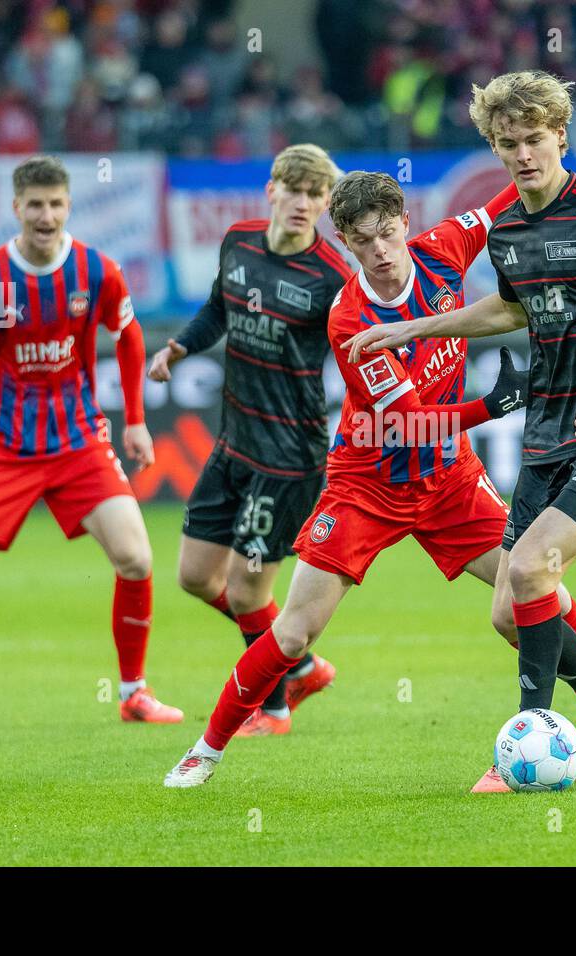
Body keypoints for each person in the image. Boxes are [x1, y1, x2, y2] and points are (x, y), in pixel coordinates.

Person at [164, 171, 576, 789]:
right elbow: (408, 424)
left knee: (535, 585)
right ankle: (205, 751)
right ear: (345, 242)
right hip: (366, 485)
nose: (379, 251)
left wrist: (553, 166)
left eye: (386, 234)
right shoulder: (350, 321)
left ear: (405, 223)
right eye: (362, 241)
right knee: (295, 631)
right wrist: (491, 406)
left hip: (450, 482)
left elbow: (508, 196)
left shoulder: (443, 249)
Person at [345, 71, 576, 776]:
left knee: (536, 568)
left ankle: (525, 746)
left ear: (561, 136)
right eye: (507, 143)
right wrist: (413, 327)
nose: (522, 155)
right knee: (511, 613)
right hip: (548, 435)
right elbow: (510, 310)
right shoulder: (508, 229)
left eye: (534, 139)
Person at [0, 155, 182, 733]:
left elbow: (128, 336)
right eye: (35, 205)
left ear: (69, 206)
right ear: (15, 208)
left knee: (137, 557)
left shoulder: (98, 271)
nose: (46, 216)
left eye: (56, 204)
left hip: (77, 440)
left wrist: (136, 420)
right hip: (1, 445)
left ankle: (133, 693)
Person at [148, 144, 352, 736]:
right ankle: (302, 664)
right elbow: (218, 309)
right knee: (194, 577)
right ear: (272, 190)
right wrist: (179, 347)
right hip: (233, 443)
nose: (304, 203)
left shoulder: (333, 277)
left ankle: (276, 706)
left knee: (244, 590)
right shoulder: (238, 242)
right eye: (296, 190)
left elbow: (356, 352)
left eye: (317, 195)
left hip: (288, 459)